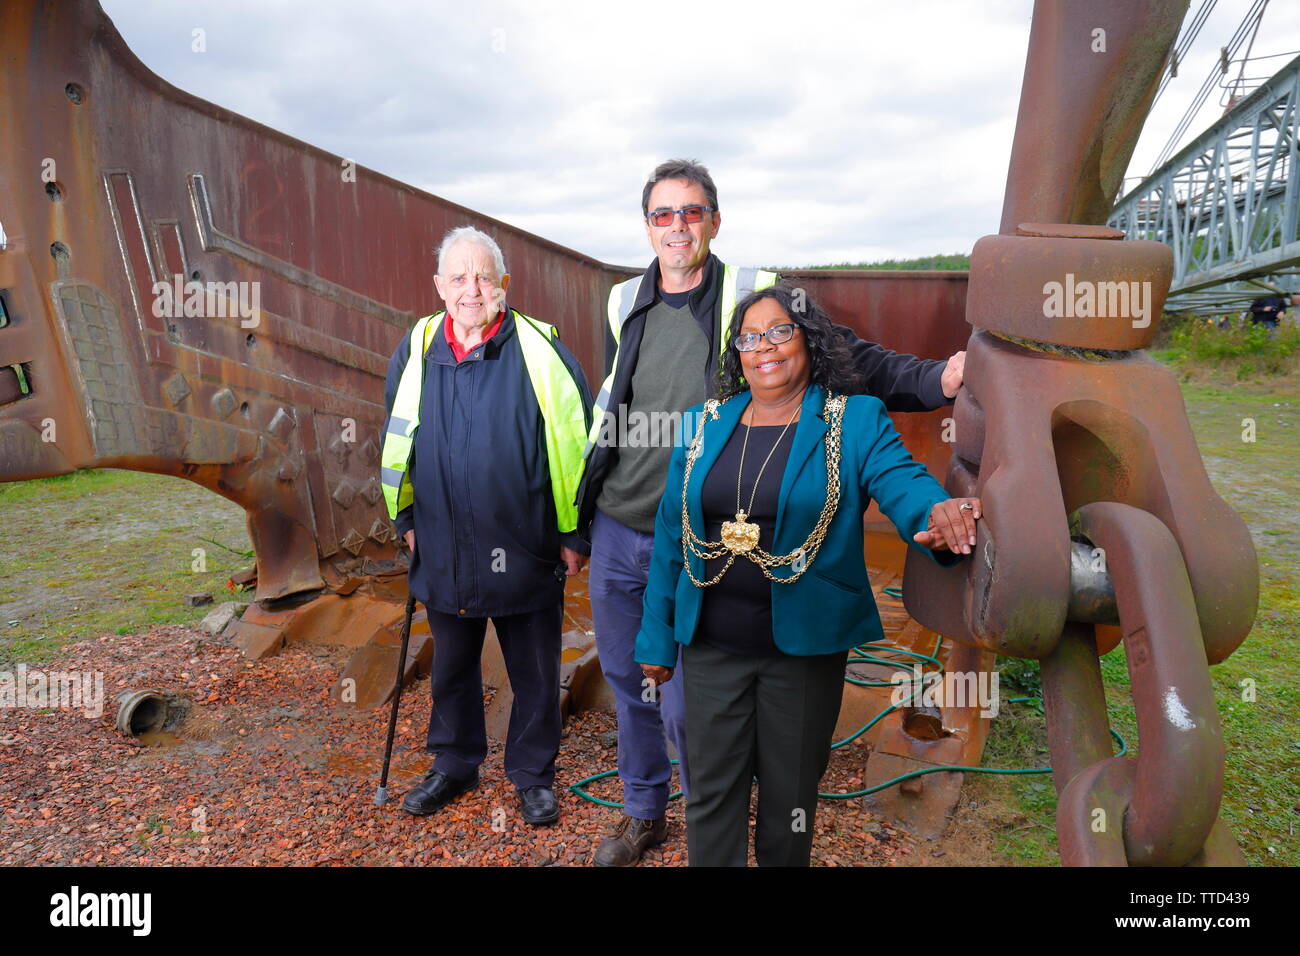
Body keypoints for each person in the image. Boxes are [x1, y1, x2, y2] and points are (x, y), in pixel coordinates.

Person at [575, 158, 968, 866]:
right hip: (629, 527)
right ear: (646, 225)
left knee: (749, 766)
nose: (677, 226)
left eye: (691, 211)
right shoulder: (626, 306)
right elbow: (615, 407)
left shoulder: (761, 304)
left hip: (770, 617)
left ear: (714, 220)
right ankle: (643, 811)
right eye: (662, 214)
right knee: (638, 687)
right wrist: (579, 518)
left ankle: (707, 802)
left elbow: (882, 428)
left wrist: (936, 384)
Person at [633, 283, 979, 866]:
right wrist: (655, 640)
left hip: (803, 650)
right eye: (749, 338)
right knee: (710, 793)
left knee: (790, 796)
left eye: (779, 332)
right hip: (712, 646)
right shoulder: (701, 424)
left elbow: (902, 480)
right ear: (737, 354)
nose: (763, 347)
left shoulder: (853, 420)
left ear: (810, 340)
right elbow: (672, 535)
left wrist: (934, 515)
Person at [379, 226, 592, 826]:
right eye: (458, 277)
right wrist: (405, 516)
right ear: (439, 286)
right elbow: (397, 435)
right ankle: (454, 763)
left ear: (504, 284)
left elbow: (580, 446)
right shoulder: (418, 346)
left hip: (525, 541)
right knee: (451, 664)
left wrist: (574, 533)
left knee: (534, 669)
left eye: (483, 277)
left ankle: (532, 774)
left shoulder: (540, 349)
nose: (471, 289)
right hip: (443, 539)